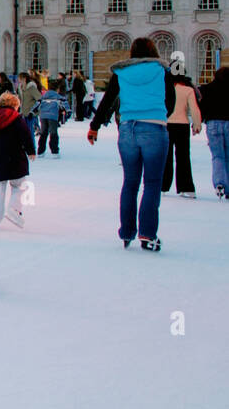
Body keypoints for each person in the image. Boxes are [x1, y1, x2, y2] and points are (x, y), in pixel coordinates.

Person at [87, 38, 176, 251]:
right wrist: (160, 114)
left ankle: (127, 232)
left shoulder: (122, 73)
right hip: (154, 127)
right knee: (152, 183)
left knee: (130, 183)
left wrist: (94, 126)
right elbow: (170, 101)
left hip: (127, 129)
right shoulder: (162, 71)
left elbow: (107, 101)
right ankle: (147, 233)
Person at [0, 92, 36, 228]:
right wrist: (31, 151)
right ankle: (14, 209)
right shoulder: (17, 119)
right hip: (15, 157)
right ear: (15, 105)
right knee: (19, 185)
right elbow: (26, 135)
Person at [162, 74, 202, 198]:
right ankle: (187, 187)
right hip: (182, 125)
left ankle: (163, 186)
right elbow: (194, 109)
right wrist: (197, 125)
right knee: (183, 156)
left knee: (166, 157)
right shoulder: (188, 90)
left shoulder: (165, 89)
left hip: (167, 124)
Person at [195, 66, 229, 198]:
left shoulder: (207, 89)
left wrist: (201, 118)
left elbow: (200, 104)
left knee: (217, 156)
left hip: (213, 123)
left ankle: (220, 183)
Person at [35, 79, 67, 157]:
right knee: (53, 133)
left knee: (43, 133)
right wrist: (67, 113)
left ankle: (40, 151)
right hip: (53, 116)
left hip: (43, 116)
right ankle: (54, 151)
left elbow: (36, 105)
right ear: (57, 89)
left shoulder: (43, 96)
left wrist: (33, 111)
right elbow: (65, 105)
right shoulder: (58, 97)